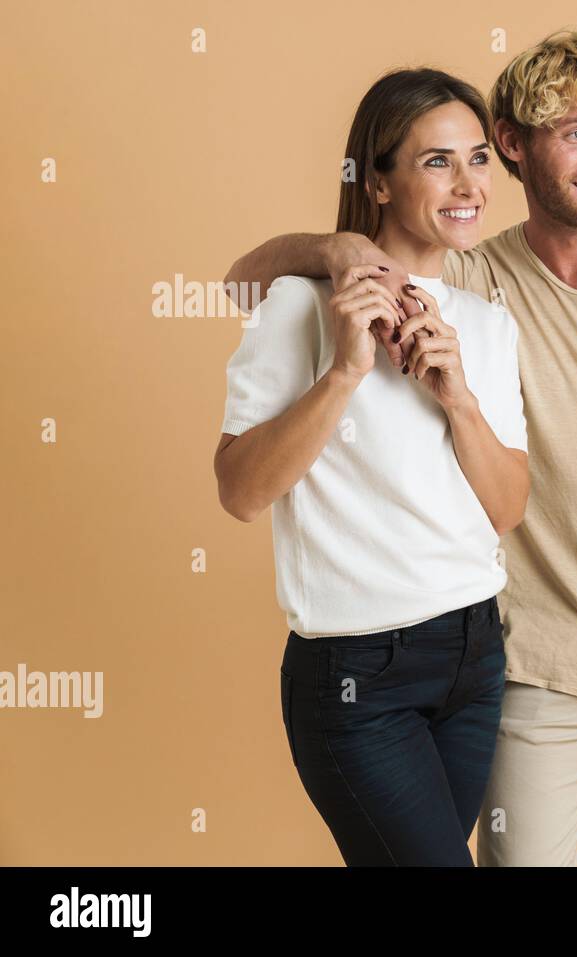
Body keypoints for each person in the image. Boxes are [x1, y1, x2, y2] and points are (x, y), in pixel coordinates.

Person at [225, 30, 577, 866]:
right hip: (535, 671)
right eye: (575, 133)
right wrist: (335, 246)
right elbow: (253, 283)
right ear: (516, 144)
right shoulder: (468, 281)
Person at [214, 68, 529, 866]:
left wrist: (457, 397)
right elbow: (241, 492)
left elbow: (509, 509)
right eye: (436, 162)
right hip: (358, 673)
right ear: (378, 181)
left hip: (474, 654)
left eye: (479, 158)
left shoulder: (488, 327)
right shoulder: (298, 304)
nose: (468, 184)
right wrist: (345, 373)